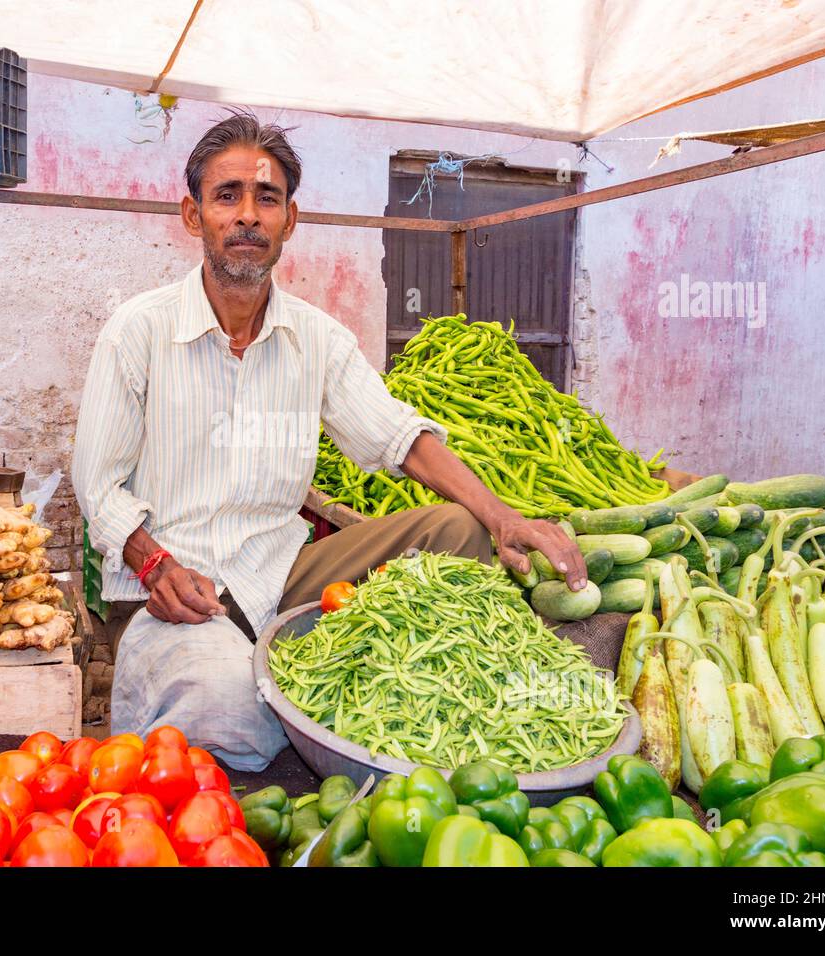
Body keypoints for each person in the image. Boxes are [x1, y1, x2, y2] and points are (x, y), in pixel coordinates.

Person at [73, 111, 586, 770]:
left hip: (280, 575)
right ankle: (295, 709)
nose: (248, 216)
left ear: (291, 220)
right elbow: (98, 486)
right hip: (176, 590)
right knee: (234, 711)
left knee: (459, 532)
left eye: (268, 198)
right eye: (227, 196)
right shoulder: (136, 332)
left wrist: (505, 518)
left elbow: (398, 437)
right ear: (193, 216)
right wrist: (152, 563)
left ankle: (416, 689)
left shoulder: (317, 338)